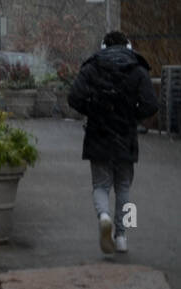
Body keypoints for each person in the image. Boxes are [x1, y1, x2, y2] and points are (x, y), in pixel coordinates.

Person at [68, 30, 159, 255]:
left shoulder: (92, 67)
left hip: (98, 133)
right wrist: (132, 114)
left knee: (100, 185)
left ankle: (104, 216)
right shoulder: (137, 69)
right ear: (128, 46)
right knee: (124, 187)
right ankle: (121, 237)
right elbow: (151, 104)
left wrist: (93, 110)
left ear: (103, 46)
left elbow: (74, 97)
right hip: (125, 135)